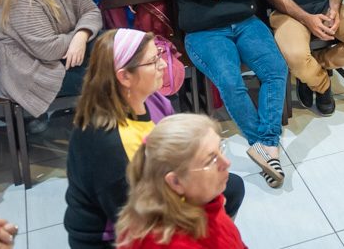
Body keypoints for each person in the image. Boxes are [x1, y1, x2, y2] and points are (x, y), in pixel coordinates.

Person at [64, 29, 244, 249]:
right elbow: (138, 215)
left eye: (159, 54)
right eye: (153, 61)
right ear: (124, 76)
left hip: (156, 191)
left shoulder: (151, 97)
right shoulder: (109, 143)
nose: (163, 65)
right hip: (115, 235)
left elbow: (174, 148)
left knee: (230, 187)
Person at [172, 0, 288, 188]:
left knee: (276, 70)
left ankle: (266, 145)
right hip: (206, 32)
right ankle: (264, 146)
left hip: (246, 23)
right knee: (231, 81)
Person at [114, 114, 245, 249]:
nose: (227, 163)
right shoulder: (171, 243)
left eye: (220, 148)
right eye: (211, 160)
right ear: (176, 182)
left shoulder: (206, 203)